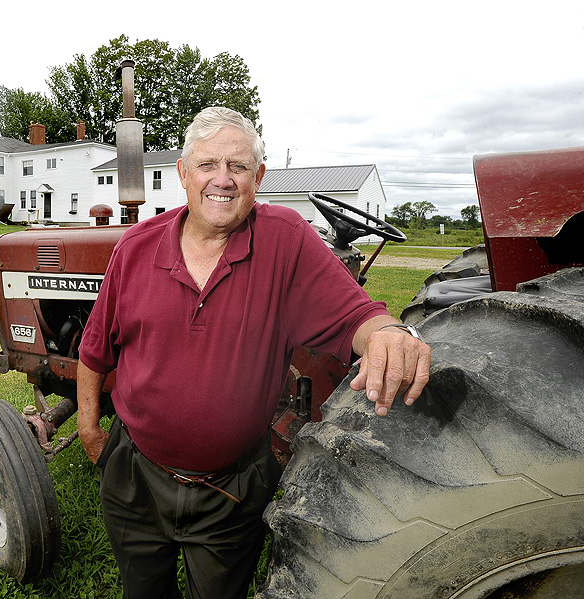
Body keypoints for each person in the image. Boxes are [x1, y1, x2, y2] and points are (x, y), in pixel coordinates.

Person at [76, 106, 431, 599]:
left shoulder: (285, 240)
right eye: (207, 165)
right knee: (142, 590)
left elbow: (358, 316)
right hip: (135, 474)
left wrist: (390, 334)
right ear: (182, 171)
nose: (222, 180)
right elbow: (94, 350)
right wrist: (91, 432)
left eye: (238, 167)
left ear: (258, 177)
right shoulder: (135, 247)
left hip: (232, 487)